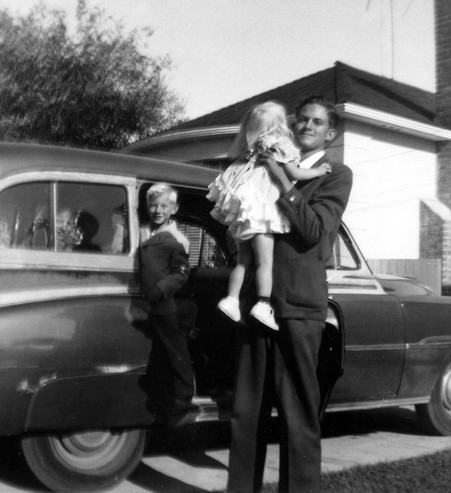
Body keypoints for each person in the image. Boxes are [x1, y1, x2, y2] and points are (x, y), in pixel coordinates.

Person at [227, 95, 353, 493]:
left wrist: (282, 180)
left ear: (329, 134)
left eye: (317, 123)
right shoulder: (266, 162)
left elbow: (313, 230)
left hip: (300, 306)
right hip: (258, 304)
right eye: (301, 120)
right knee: (247, 411)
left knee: (299, 412)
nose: (307, 127)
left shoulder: (336, 174)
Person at [207, 101, 332, 330]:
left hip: (245, 213)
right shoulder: (280, 144)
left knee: (244, 262)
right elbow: (293, 171)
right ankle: (263, 304)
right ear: (280, 124)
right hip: (261, 213)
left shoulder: (253, 148)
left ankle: (231, 299)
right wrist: (318, 171)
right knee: (265, 261)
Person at [138, 183, 198, 427]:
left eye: (164, 206)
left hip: (165, 302)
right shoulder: (143, 232)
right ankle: (162, 403)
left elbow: (181, 272)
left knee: (175, 353)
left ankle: (183, 400)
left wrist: (162, 288)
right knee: (159, 357)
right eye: (152, 205)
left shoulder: (178, 239)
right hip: (147, 304)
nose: (157, 210)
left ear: (174, 209)